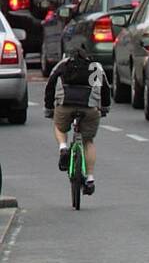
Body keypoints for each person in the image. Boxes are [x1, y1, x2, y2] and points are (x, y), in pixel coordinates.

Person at [43, 36, 110, 197]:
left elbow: (50, 84)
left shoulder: (63, 64)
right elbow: (105, 88)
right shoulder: (95, 67)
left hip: (65, 105)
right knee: (88, 141)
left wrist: (49, 108)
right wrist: (104, 107)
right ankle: (91, 179)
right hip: (89, 108)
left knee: (59, 127)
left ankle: (63, 148)